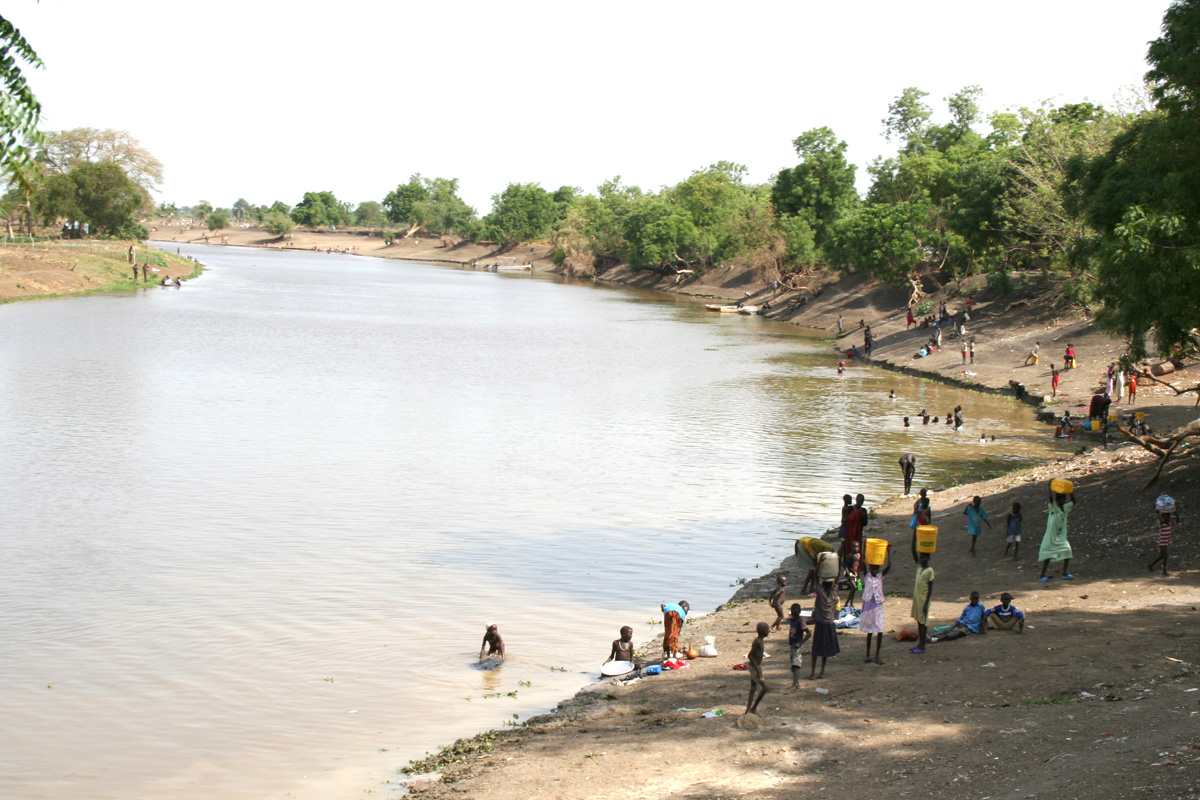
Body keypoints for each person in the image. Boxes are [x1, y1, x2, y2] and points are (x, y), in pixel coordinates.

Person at [860, 542, 891, 664]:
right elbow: (862, 561)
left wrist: (888, 552)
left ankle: (877, 655)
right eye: (872, 568)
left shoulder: (880, 576)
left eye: (876, 568)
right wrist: (864, 548)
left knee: (879, 629)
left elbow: (889, 566)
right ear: (869, 569)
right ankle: (868, 654)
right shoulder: (867, 576)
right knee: (869, 631)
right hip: (868, 605)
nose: (874, 570)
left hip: (878, 605)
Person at [1039, 485, 1076, 581]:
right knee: (1048, 554)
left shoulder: (1065, 507)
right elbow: (1050, 498)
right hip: (1051, 536)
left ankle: (1064, 572)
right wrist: (1049, 487)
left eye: (1063, 499)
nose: (1062, 501)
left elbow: (1073, 502)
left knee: (1067, 551)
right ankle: (1042, 574)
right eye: (1060, 499)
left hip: (1060, 536)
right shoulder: (1053, 507)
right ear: (1057, 500)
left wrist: (1071, 491)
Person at [809, 575, 839, 679]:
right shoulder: (834, 595)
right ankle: (822, 671)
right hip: (829, 624)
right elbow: (837, 581)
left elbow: (816, 579)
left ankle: (812, 672)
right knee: (825, 649)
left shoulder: (820, 594)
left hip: (820, 624)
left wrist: (818, 565)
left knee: (816, 649)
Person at [910, 533, 935, 654]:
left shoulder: (930, 571)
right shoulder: (919, 567)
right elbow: (913, 551)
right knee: (919, 621)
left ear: (928, 558)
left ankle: (923, 645)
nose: (921, 559)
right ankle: (920, 643)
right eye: (921, 557)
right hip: (918, 599)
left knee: (924, 622)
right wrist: (914, 537)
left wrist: (926, 603)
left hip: (924, 599)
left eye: (924, 557)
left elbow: (930, 588)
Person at [1148, 495, 1180, 576]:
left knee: (1162, 556)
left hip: (1166, 542)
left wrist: (1175, 512)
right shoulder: (1163, 524)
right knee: (1165, 555)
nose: (1167, 518)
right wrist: (1158, 512)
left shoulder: (1170, 524)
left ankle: (1151, 565)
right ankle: (1164, 571)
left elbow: (1178, 520)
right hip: (1162, 542)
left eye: (1168, 517)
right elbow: (1160, 518)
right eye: (1165, 517)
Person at [744, 621, 770, 715]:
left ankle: (748, 710)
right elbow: (750, 656)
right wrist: (757, 668)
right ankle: (753, 708)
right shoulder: (758, 642)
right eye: (767, 630)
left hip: (754, 667)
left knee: (753, 688)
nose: (769, 631)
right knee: (765, 688)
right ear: (763, 631)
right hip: (754, 668)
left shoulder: (760, 641)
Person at [786, 603, 811, 690]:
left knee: (796, 664)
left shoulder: (801, 622)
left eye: (795, 613)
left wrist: (800, 643)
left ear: (799, 612)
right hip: (792, 645)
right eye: (793, 613)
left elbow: (808, 634)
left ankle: (794, 684)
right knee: (793, 666)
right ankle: (796, 683)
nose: (794, 615)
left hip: (797, 646)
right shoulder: (792, 620)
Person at [843, 494, 868, 559]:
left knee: (857, 547)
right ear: (856, 500)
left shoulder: (863, 510)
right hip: (850, 532)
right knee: (849, 546)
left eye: (862, 501)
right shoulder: (850, 508)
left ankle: (857, 562)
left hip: (858, 532)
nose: (861, 502)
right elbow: (844, 520)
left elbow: (865, 523)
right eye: (859, 500)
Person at [841, 540, 862, 607]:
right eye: (854, 547)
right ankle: (847, 603)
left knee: (855, 588)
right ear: (851, 548)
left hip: (855, 574)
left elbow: (857, 566)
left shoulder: (858, 555)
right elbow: (845, 566)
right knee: (854, 587)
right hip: (849, 574)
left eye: (857, 547)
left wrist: (858, 576)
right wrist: (849, 574)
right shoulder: (849, 556)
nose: (856, 548)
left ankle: (850, 603)